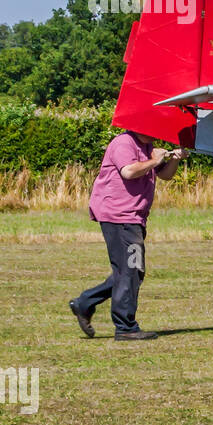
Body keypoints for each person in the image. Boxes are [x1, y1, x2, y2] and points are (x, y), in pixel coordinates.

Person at [69, 131, 185, 341]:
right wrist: (154, 160)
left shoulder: (148, 147)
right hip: (118, 216)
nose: (156, 130)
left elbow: (165, 175)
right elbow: (129, 171)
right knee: (131, 270)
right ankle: (125, 327)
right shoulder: (124, 143)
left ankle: (84, 303)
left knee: (130, 270)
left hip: (133, 217)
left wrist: (174, 160)